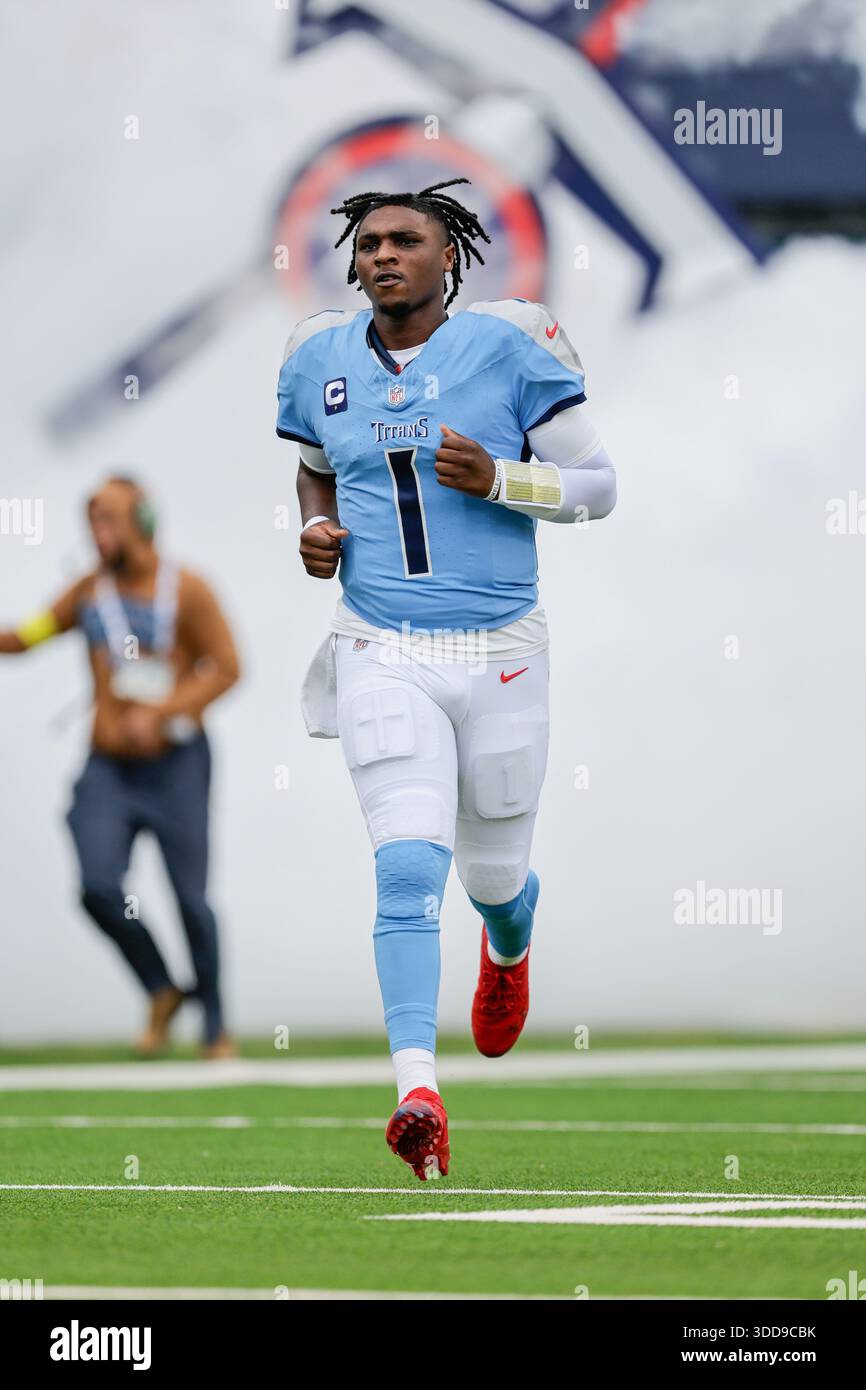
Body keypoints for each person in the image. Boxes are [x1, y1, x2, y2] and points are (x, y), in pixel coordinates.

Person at [276, 178, 616, 1179]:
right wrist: (312, 525)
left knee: (491, 878)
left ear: (448, 259)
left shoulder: (512, 344)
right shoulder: (316, 357)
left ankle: (507, 947)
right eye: (370, 241)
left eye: (405, 240)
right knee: (408, 866)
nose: (383, 255)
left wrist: (501, 478)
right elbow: (312, 466)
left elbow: (600, 488)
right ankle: (416, 1090)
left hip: (502, 647)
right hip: (382, 645)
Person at [0, 476, 241, 1058]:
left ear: (144, 521)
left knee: (191, 898)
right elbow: (27, 636)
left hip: (177, 765)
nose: (99, 535)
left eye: (108, 521)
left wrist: (165, 711)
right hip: (108, 769)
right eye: (92, 524)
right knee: (97, 886)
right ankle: (161, 988)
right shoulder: (87, 592)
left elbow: (228, 667)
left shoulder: (188, 590)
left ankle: (215, 1025)